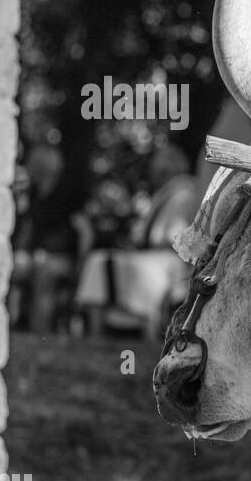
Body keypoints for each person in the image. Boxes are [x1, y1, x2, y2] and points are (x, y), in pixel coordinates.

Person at [73, 144, 200, 338]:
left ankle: (150, 332)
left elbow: (177, 238)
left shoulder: (187, 192)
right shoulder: (161, 194)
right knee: (98, 261)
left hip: (171, 260)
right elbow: (141, 234)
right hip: (150, 254)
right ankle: (95, 333)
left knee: (144, 273)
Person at [10, 143, 79, 333]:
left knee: (44, 276)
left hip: (61, 258)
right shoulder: (32, 194)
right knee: (9, 267)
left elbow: (84, 231)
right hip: (34, 256)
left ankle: (40, 333)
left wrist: (81, 265)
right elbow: (24, 224)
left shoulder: (67, 194)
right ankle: (11, 326)